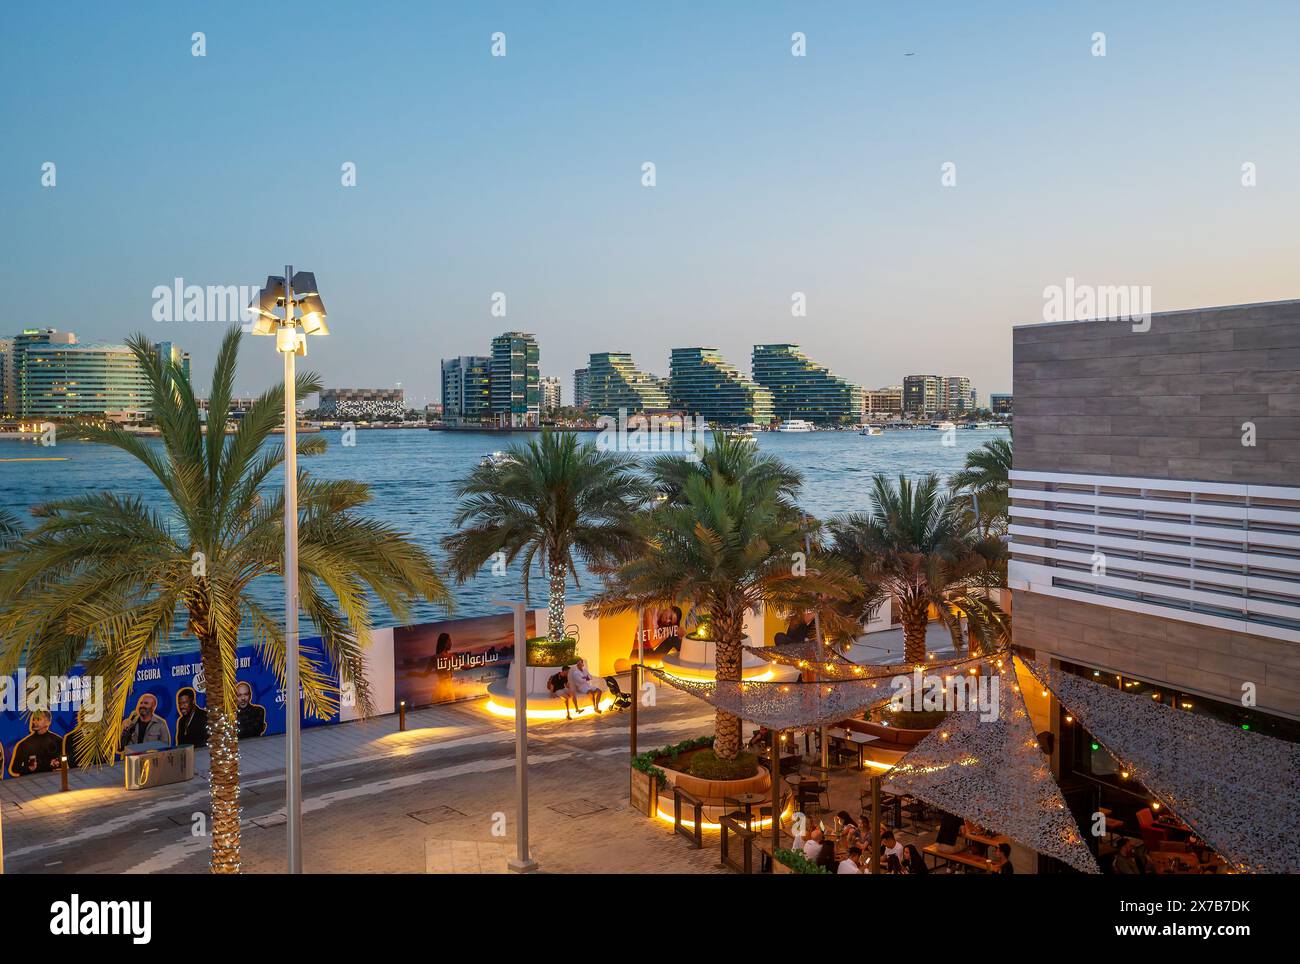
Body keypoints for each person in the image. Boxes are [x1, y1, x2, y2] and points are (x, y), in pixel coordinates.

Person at [8, 711, 64, 777]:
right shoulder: (24, 744)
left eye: (38, 719)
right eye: (33, 719)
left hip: (52, 781)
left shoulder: (57, 740)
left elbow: (65, 762)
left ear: (48, 722)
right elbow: (14, 768)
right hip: (29, 782)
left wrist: (57, 764)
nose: (34, 722)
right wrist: (28, 769)